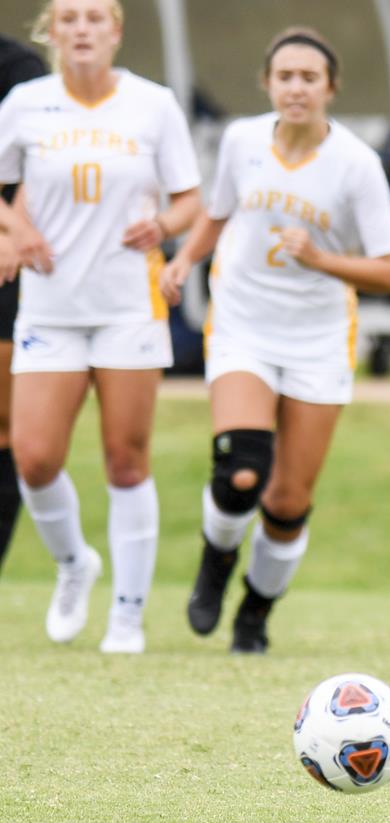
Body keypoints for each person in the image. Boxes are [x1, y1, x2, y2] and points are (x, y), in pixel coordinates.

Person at [160, 28, 390, 654]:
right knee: (242, 471)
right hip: (242, 325)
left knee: (287, 499)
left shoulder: (356, 164)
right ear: (268, 84)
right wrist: (184, 259)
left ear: (330, 88)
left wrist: (321, 259)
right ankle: (215, 561)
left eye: (309, 78)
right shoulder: (243, 140)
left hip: (319, 339)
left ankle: (254, 615)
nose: (296, 88)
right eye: (285, 76)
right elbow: (218, 212)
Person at [0, 0, 201, 653]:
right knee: (33, 459)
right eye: (69, 18)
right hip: (51, 308)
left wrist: (165, 227)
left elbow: (190, 199)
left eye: (95, 17)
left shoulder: (154, 104)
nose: (81, 29)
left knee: (125, 459)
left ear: (115, 31)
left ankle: (127, 617)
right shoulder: (25, 103)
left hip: (127, 307)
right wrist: (15, 228)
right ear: (52, 32)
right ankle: (73, 565)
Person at [0, 31, 45, 578]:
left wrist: (10, 230)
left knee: (5, 426)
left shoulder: (18, 67)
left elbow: (35, 167)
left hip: (6, 256)